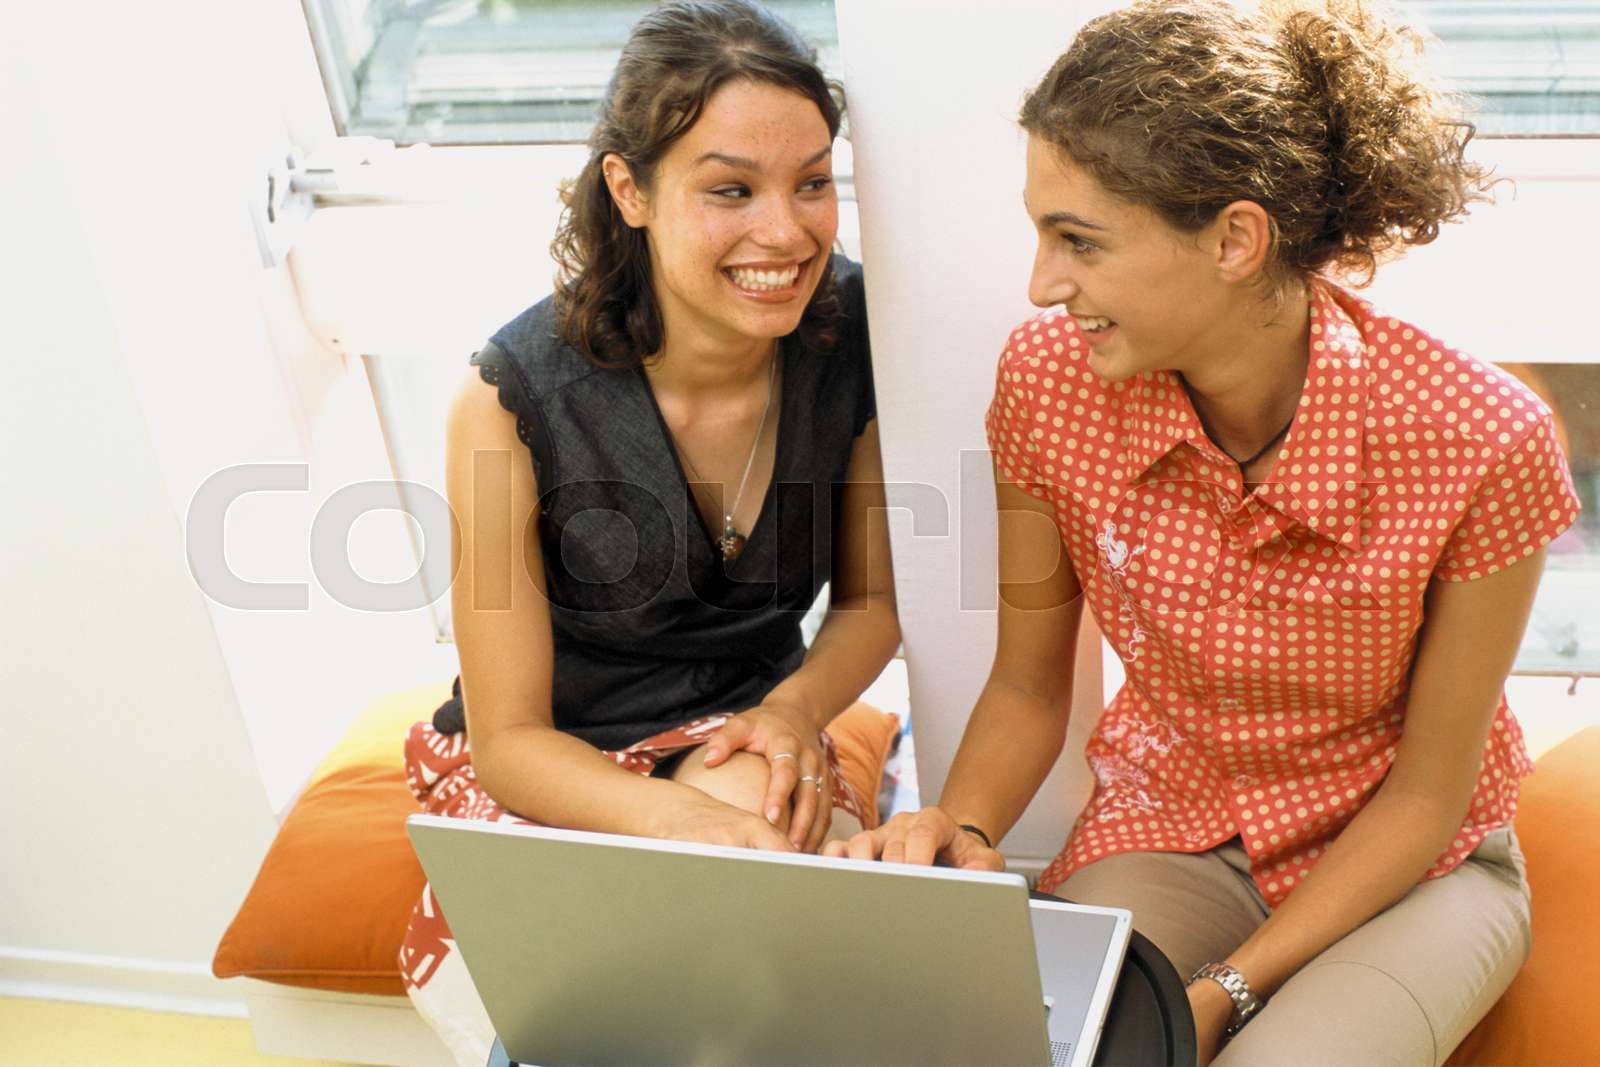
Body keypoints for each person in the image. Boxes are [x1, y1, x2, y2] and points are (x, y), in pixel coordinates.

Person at [828, 2, 1580, 1064]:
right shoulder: (1045, 387)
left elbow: (1427, 794)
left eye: (1077, 240)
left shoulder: (1478, 439)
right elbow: (1029, 686)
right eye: (1041, 231)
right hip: (1174, 823)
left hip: (1415, 861)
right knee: (1024, 1044)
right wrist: (963, 826)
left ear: (1234, 238)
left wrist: (1227, 987)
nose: (1042, 283)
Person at [398, 2, 898, 1062]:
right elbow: (511, 742)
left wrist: (793, 714)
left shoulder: (858, 337)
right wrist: (692, 825)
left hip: (753, 716)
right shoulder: (508, 398)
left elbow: (869, 609)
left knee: (789, 967)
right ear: (630, 191)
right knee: (631, 1003)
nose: (787, 230)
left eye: (813, 181)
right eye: (730, 189)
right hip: (557, 756)